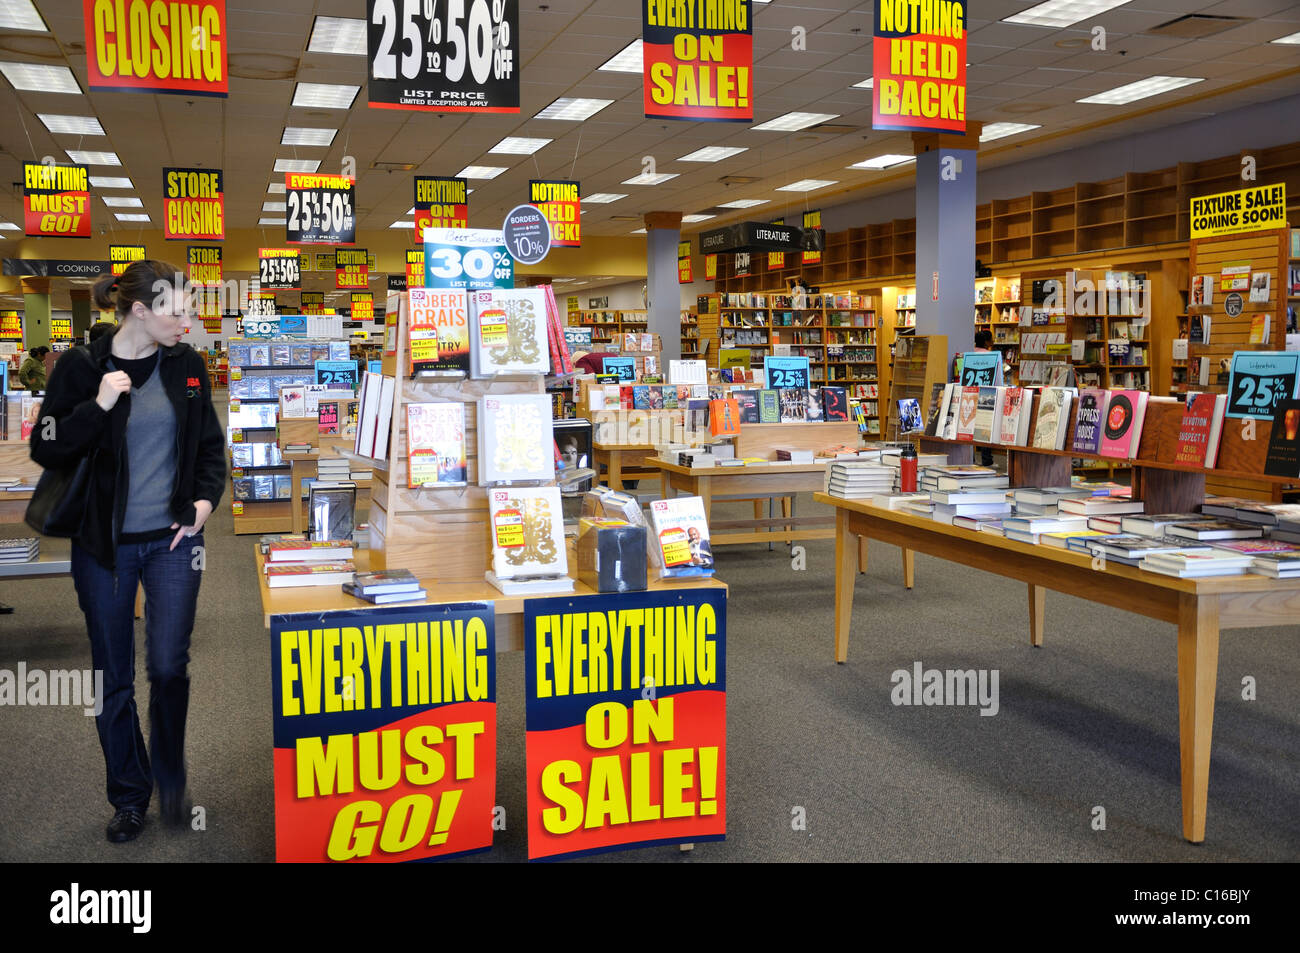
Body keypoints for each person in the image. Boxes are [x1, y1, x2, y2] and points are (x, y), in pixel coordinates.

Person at [28, 260, 226, 844]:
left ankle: (169, 776)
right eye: (177, 311)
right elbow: (47, 445)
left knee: (168, 667)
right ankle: (129, 796)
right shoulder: (81, 366)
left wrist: (204, 506)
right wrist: (99, 406)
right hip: (104, 546)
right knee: (112, 674)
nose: (187, 321)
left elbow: (210, 451)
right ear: (140, 310)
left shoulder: (188, 366)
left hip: (173, 542)